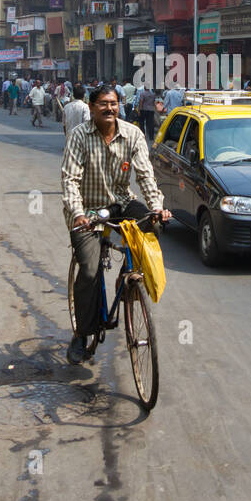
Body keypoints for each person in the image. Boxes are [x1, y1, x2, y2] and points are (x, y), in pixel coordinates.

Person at [61, 83, 170, 364]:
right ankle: (82, 334)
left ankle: (130, 279)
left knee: (151, 224)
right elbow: (70, 180)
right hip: (88, 211)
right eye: (103, 104)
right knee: (88, 270)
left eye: (113, 103)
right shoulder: (79, 136)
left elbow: (145, 176)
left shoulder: (132, 134)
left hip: (120, 204)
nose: (109, 108)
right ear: (91, 107)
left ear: (119, 105)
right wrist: (77, 213)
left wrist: (157, 207)